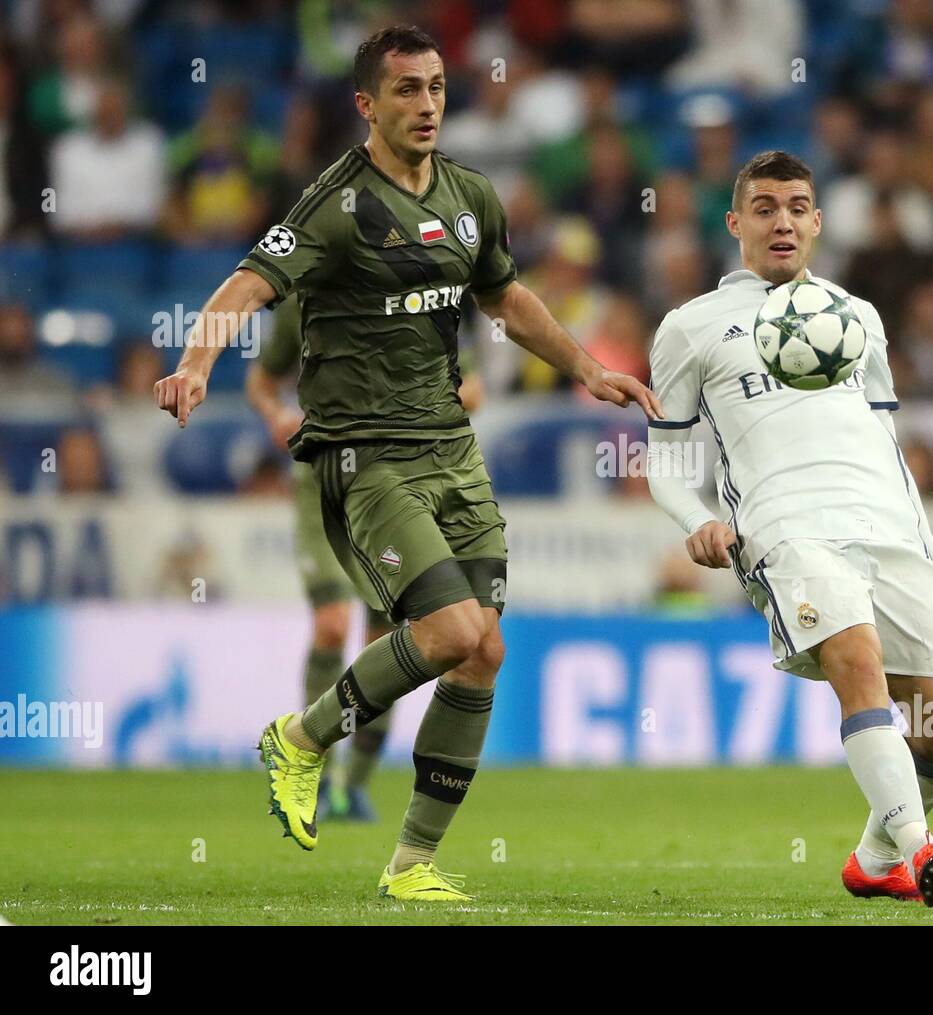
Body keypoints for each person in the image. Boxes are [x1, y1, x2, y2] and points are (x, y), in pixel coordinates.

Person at [155, 25, 661, 902]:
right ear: (367, 105)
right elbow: (247, 283)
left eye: (434, 87)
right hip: (366, 455)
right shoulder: (334, 206)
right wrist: (197, 360)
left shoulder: (470, 195)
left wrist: (585, 367)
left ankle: (410, 865)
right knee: (453, 631)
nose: (426, 104)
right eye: (405, 91)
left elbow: (504, 294)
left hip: (450, 449)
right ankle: (303, 738)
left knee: (484, 651)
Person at [645, 151, 933, 907]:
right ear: (735, 224)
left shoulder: (858, 317)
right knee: (855, 659)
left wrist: (919, 534)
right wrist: (698, 519)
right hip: (784, 526)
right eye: (763, 207)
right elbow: (663, 462)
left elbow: (881, 434)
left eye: (797, 205)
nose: (782, 220)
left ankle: (874, 858)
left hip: (889, 524)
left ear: (819, 221)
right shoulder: (690, 327)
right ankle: (922, 850)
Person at [244, 293, 398, 822]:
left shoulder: (416, 290)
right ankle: (312, 768)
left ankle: (353, 786)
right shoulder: (305, 303)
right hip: (321, 479)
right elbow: (261, 381)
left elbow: (473, 388)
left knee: (387, 647)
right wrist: (275, 414)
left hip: (391, 481)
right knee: (332, 625)